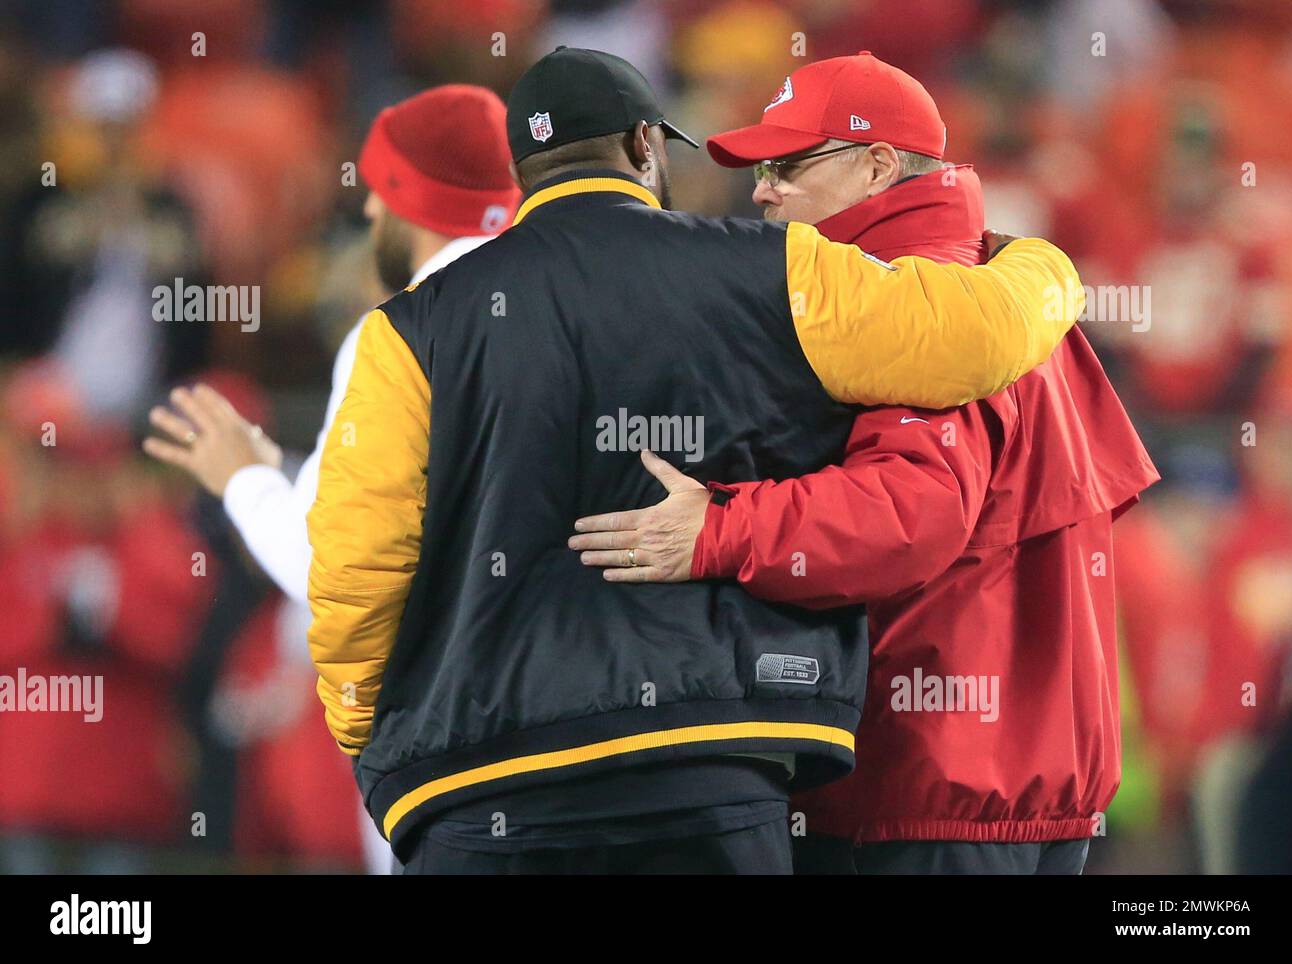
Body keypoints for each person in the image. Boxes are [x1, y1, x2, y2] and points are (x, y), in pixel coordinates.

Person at [306, 46, 1085, 875]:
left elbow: (357, 566)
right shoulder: (772, 266)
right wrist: (1043, 264)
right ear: (647, 147)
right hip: (711, 773)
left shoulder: (405, 332)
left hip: (473, 790)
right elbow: (970, 339)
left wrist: (372, 725)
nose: (763, 189)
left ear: (524, 174)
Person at [570, 52, 1160, 874]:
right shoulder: (989, 281)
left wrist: (720, 528)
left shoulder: (909, 300)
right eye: (759, 169)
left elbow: (911, 512)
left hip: (927, 797)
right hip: (1020, 794)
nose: (762, 190)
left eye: (788, 165)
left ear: (879, 164)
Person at [141, 85, 521, 873]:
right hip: (594, 751)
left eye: (380, 197)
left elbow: (331, 574)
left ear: (410, 201)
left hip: (446, 761)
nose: (372, 220)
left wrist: (243, 476)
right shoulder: (572, 307)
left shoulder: (402, 334)